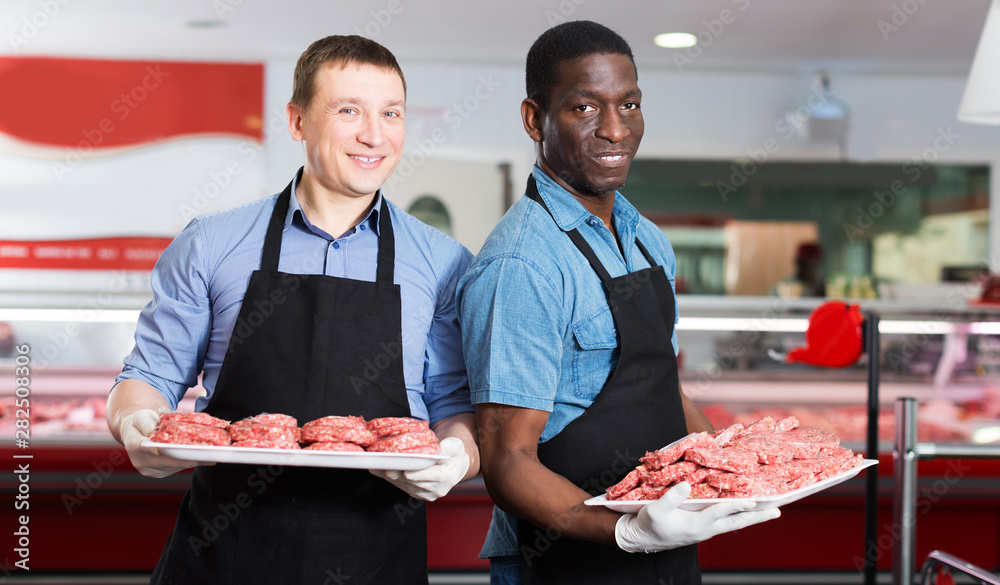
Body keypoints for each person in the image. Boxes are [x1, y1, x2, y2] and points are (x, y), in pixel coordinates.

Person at [106, 35, 479, 585]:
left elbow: (454, 405)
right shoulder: (211, 244)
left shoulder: (445, 262)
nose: (374, 135)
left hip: (376, 557)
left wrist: (459, 458)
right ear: (298, 120)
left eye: (391, 113)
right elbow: (148, 377)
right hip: (227, 552)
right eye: (348, 110)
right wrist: (131, 424)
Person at [457, 21, 780, 585]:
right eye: (585, 108)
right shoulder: (522, 264)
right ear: (535, 118)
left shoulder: (646, 239)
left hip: (666, 546)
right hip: (565, 556)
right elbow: (507, 461)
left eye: (628, 104)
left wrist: (736, 467)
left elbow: (662, 389)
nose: (614, 129)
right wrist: (627, 531)